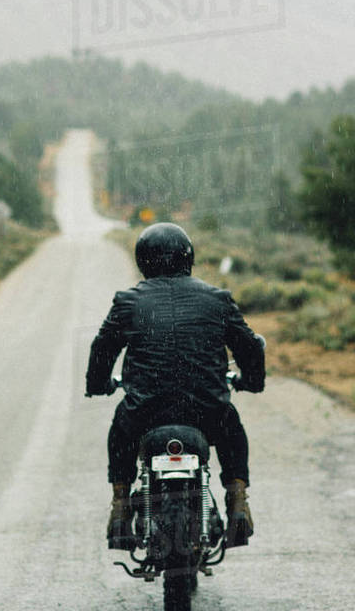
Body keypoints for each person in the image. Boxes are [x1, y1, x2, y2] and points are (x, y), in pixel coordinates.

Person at [85, 222, 265, 550]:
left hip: (146, 413)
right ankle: (237, 501)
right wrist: (250, 381)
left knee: (120, 430)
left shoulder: (127, 302)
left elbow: (102, 349)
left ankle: (120, 506)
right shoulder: (218, 299)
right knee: (232, 427)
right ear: (188, 257)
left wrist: (98, 385)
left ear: (142, 260)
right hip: (206, 412)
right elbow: (250, 347)